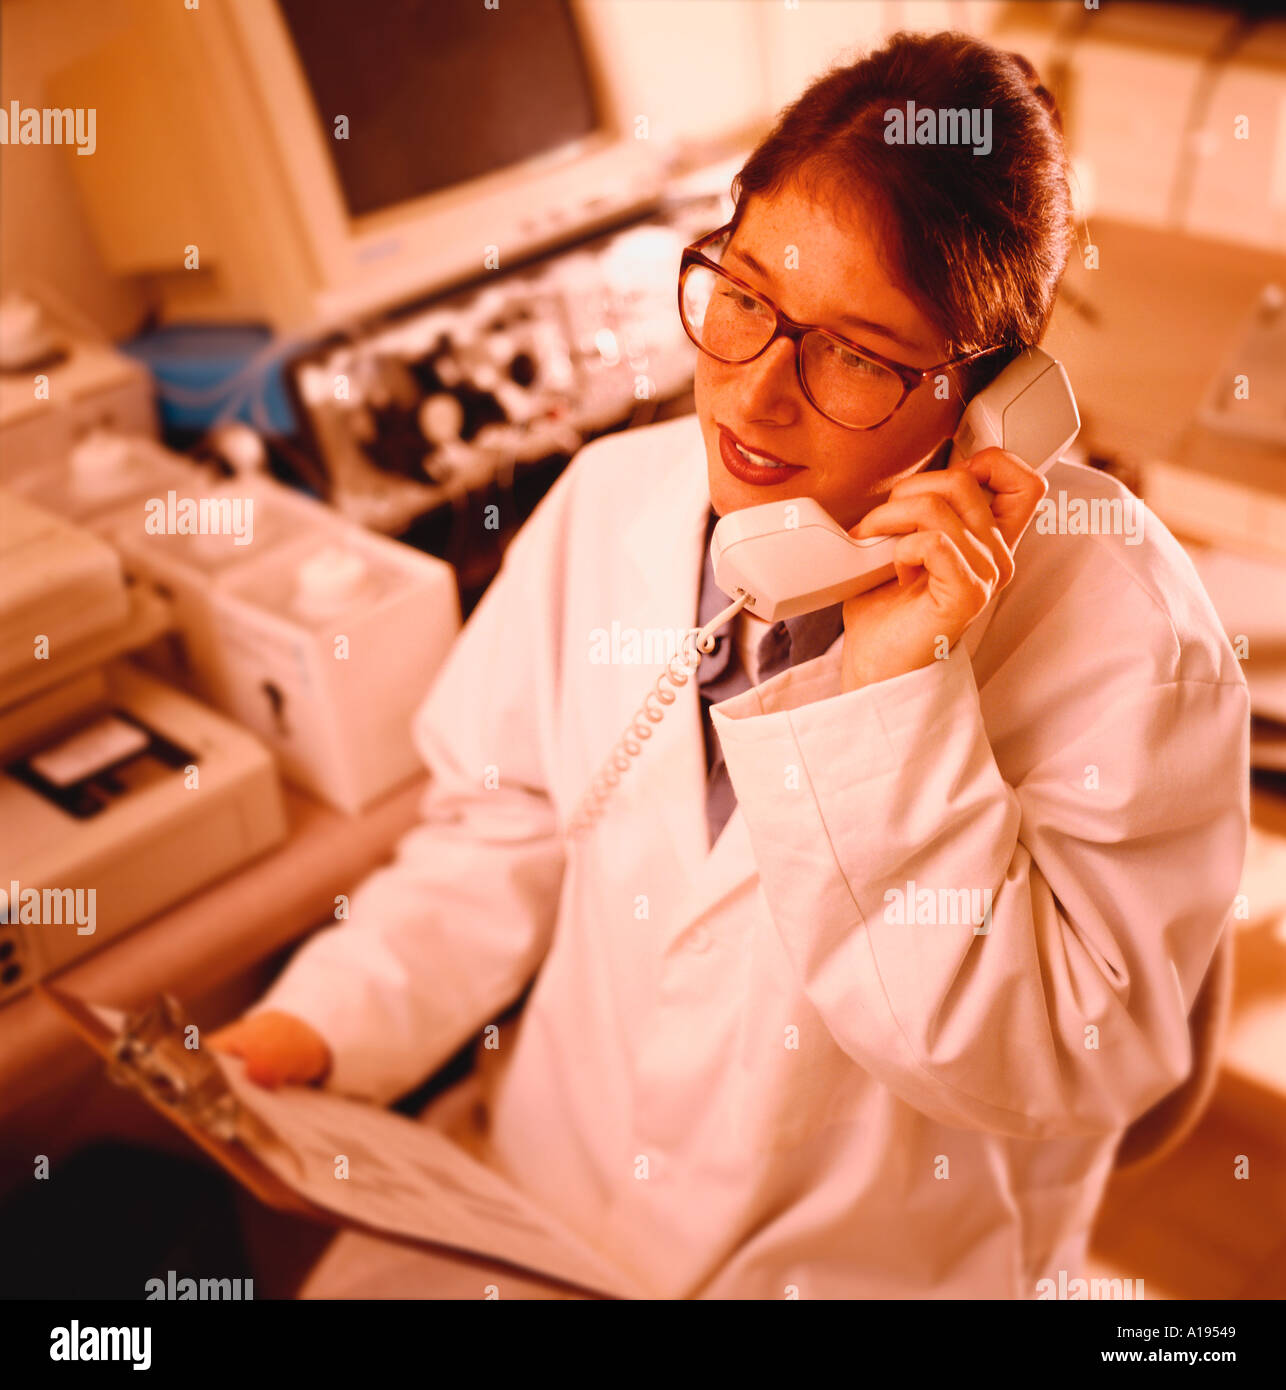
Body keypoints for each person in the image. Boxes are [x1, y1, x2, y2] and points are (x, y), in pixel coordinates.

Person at [211, 30, 1249, 1299]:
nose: (754, 399)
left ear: (994, 400)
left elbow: (1064, 1063)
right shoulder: (614, 501)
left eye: (856, 355)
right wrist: (315, 1027)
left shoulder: (1130, 644)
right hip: (537, 1219)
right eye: (744, 295)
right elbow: (502, 833)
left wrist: (896, 697)